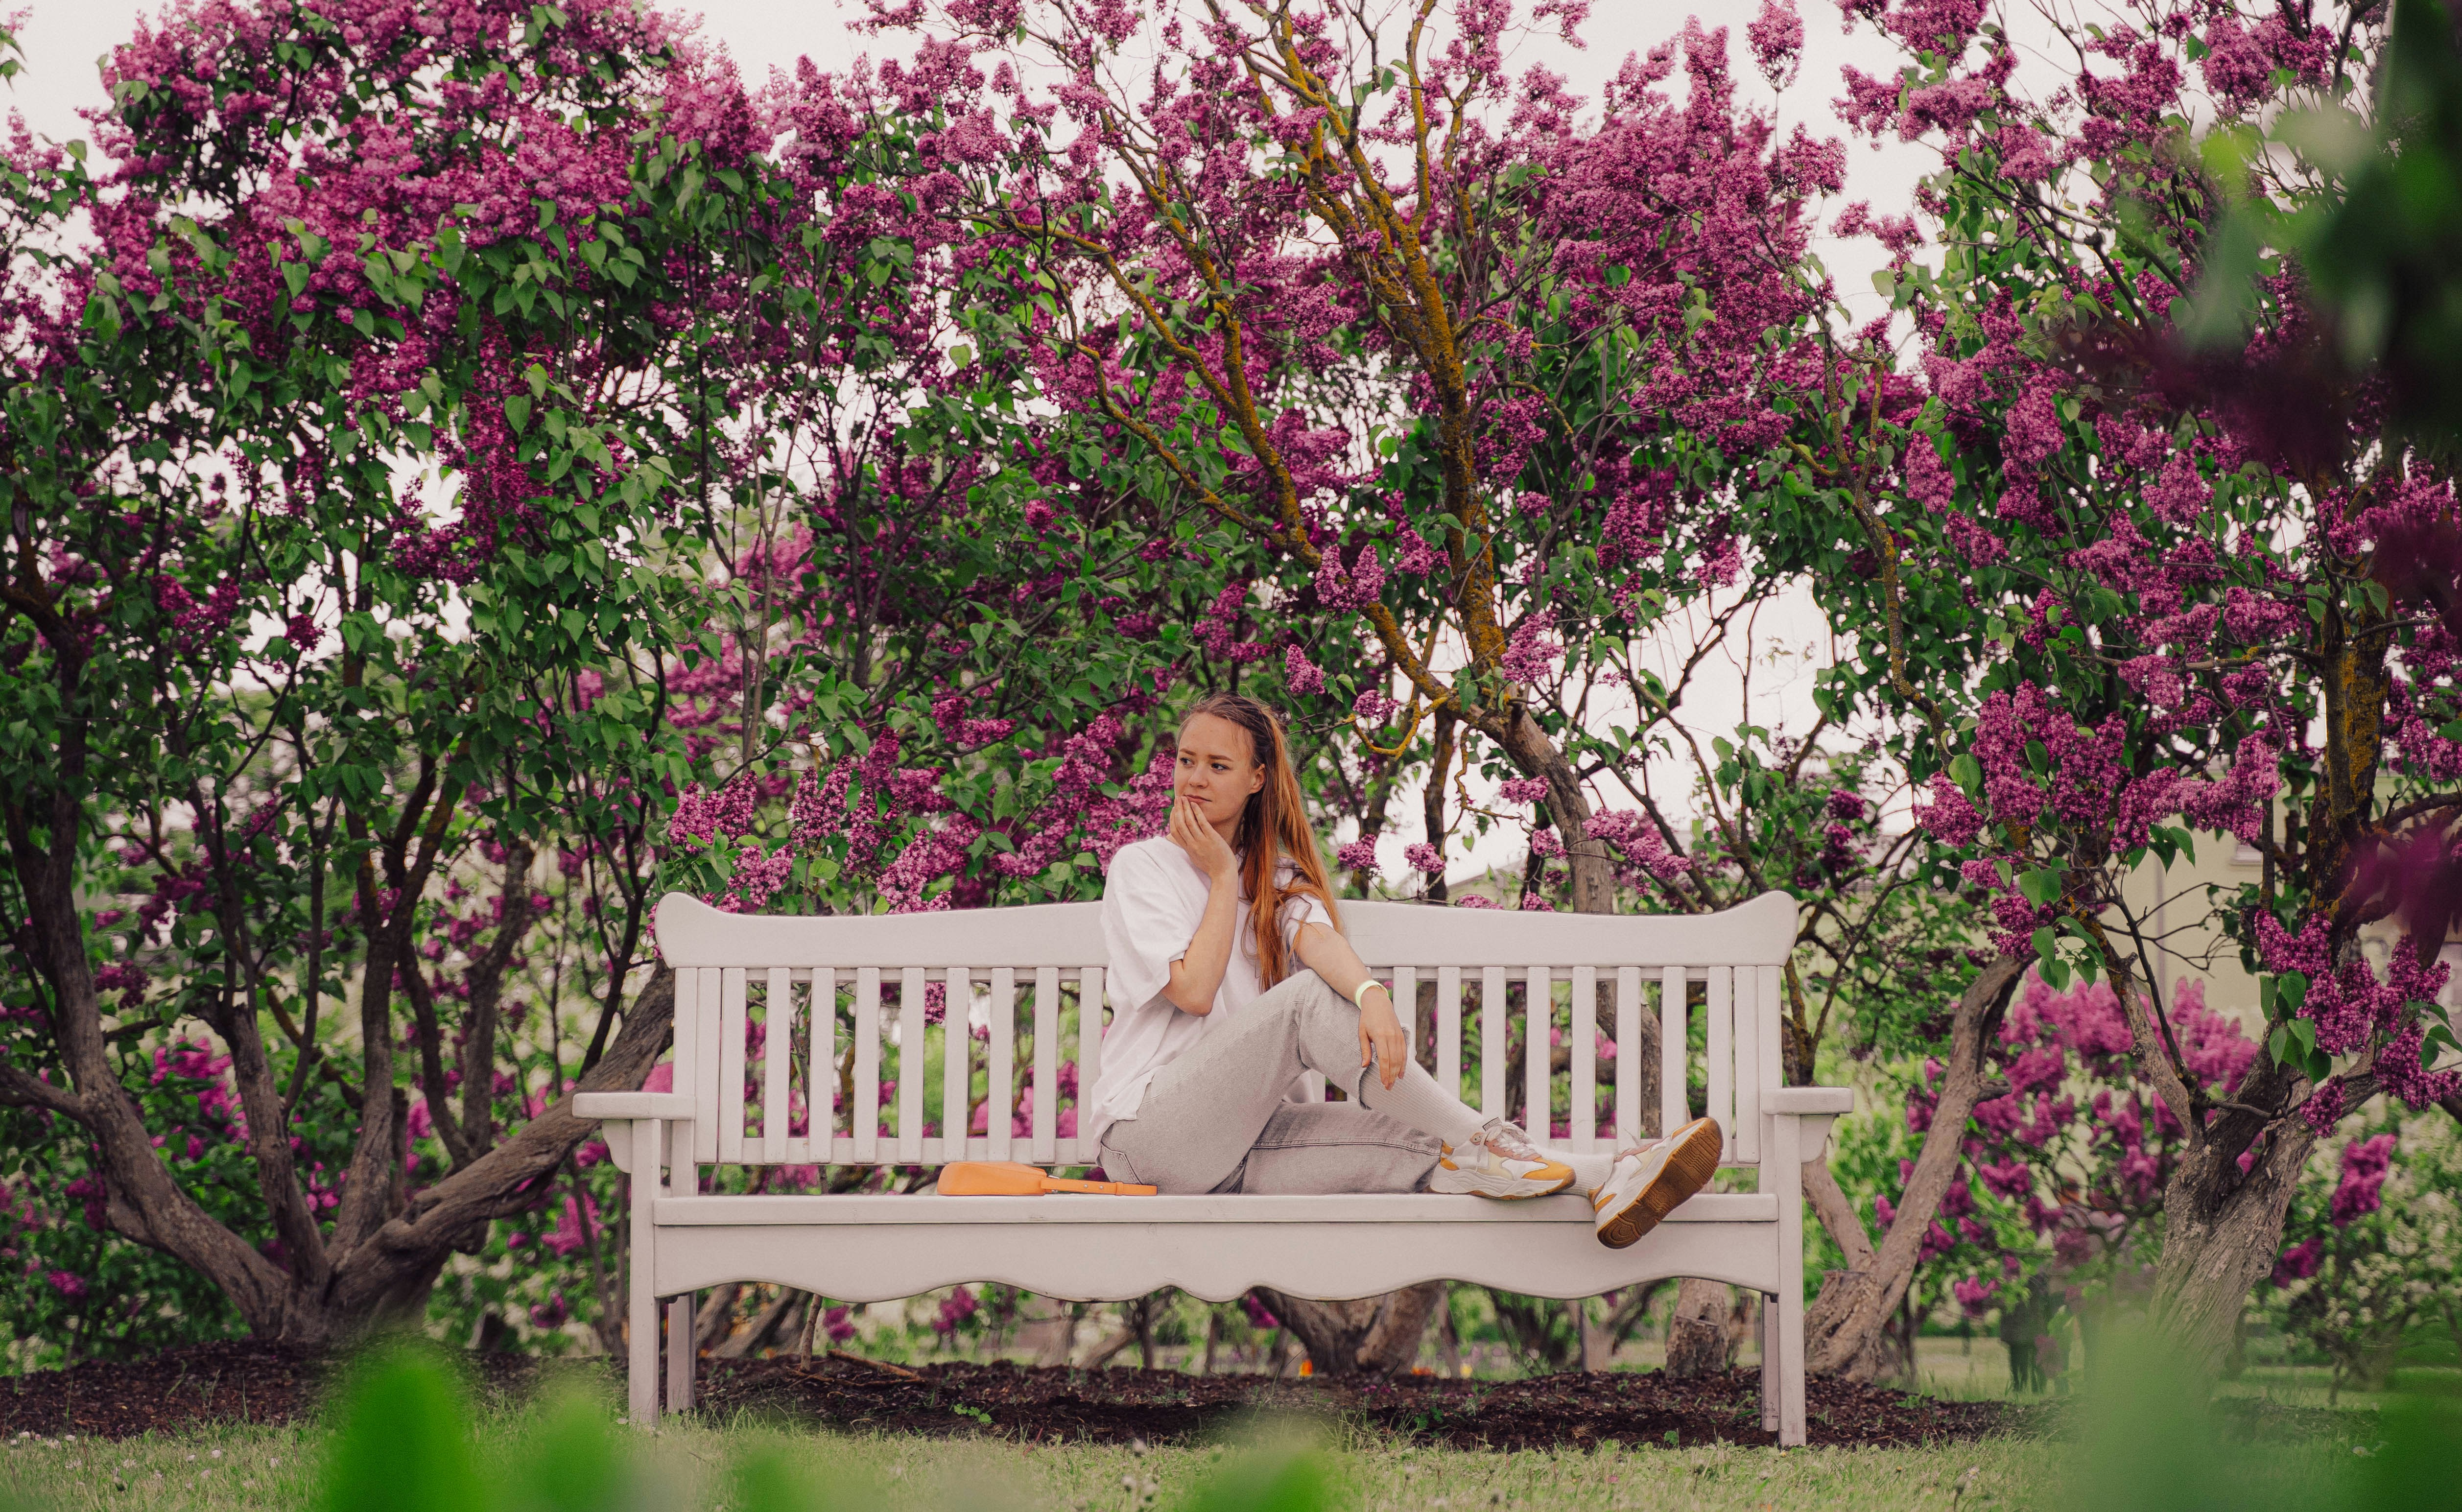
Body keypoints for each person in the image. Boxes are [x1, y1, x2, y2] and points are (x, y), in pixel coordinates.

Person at [1089, 691, 1722, 1248]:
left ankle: (1609, 1176)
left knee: (1426, 1147)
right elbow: (1195, 991)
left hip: (1239, 1152)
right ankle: (1489, 1139)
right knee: (1315, 1003)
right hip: (1148, 1143)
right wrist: (1223, 875)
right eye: (1186, 760)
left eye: (1217, 766)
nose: (1193, 779)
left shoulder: (1276, 879)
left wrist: (1370, 995)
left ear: (1257, 780)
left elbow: (1317, 940)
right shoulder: (1143, 868)